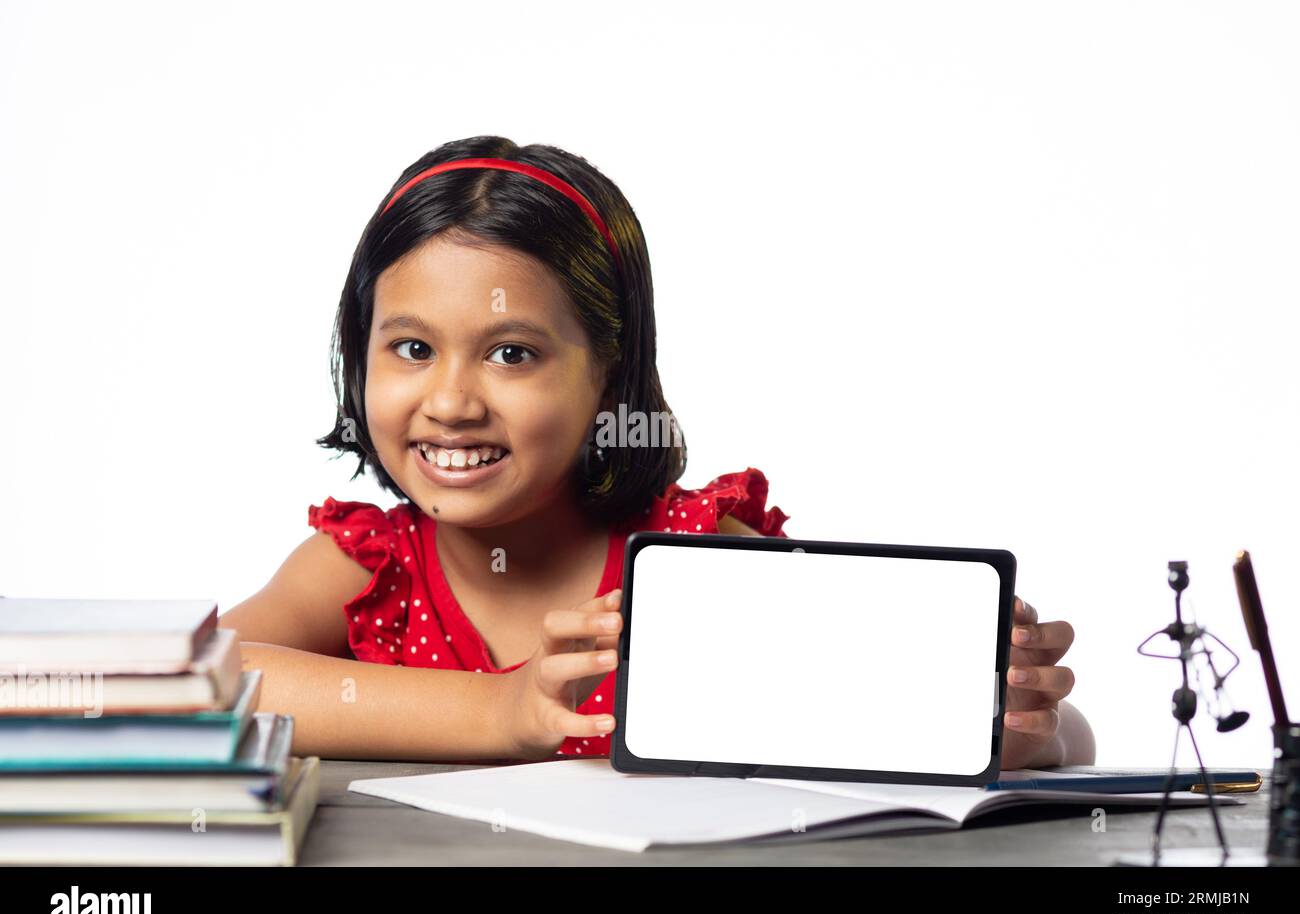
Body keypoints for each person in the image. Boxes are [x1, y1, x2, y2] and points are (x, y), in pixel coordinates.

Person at [221, 135, 1094, 769]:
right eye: (411, 349)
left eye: (513, 353)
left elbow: (1037, 734)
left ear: (609, 375)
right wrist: (497, 711)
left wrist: (1029, 732)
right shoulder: (367, 567)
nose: (451, 402)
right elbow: (205, 680)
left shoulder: (696, 556)